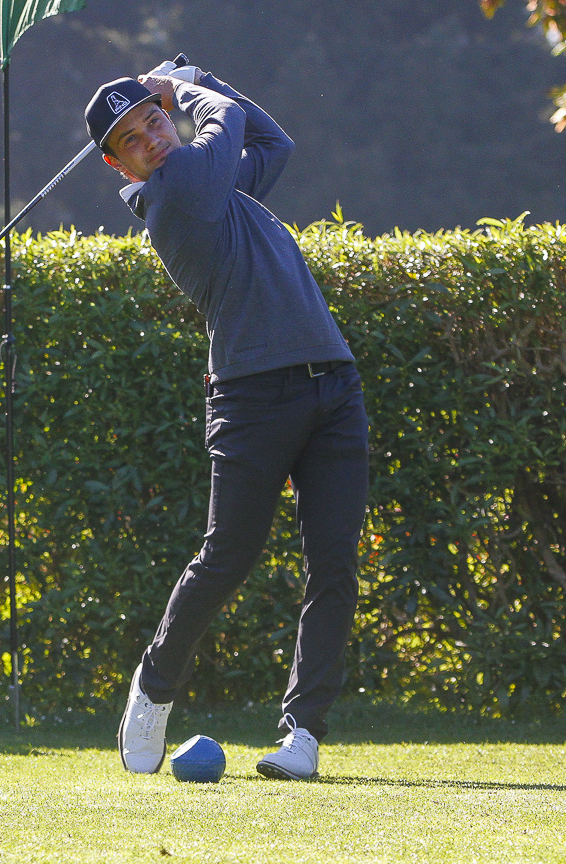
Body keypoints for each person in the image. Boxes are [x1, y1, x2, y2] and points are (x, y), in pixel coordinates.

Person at [82, 65, 370, 780]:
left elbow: (274, 143)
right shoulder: (176, 190)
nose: (152, 137)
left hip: (333, 384)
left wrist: (201, 80)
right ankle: (153, 687)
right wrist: (185, 88)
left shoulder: (216, 188)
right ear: (119, 165)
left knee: (334, 564)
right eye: (132, 138)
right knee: (228, 556)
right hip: (252, 396)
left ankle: (302, 734)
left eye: (153, 120)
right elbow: (229, 122)